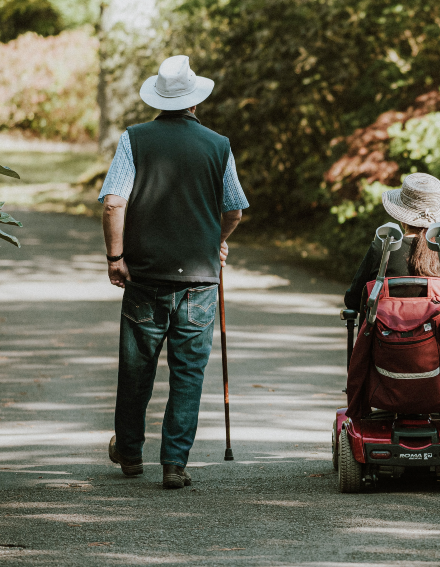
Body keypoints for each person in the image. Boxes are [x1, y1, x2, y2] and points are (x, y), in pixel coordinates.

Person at [99, 55, 249, 489]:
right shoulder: (219, 145)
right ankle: (174, 464)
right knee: (188, 374)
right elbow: (234, 210)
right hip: (200, 281)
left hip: (145, 277)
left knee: (136, 371)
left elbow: (113, 203)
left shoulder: (134, 139)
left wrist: (115, 257)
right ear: (195, 100)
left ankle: (130, 453)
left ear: (158, 100)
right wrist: (214, 241)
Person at [344, 173, 440, 334]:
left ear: (402, 217)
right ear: (436, 217)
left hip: (384, 345)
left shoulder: (381, 249)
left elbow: (353, 300)